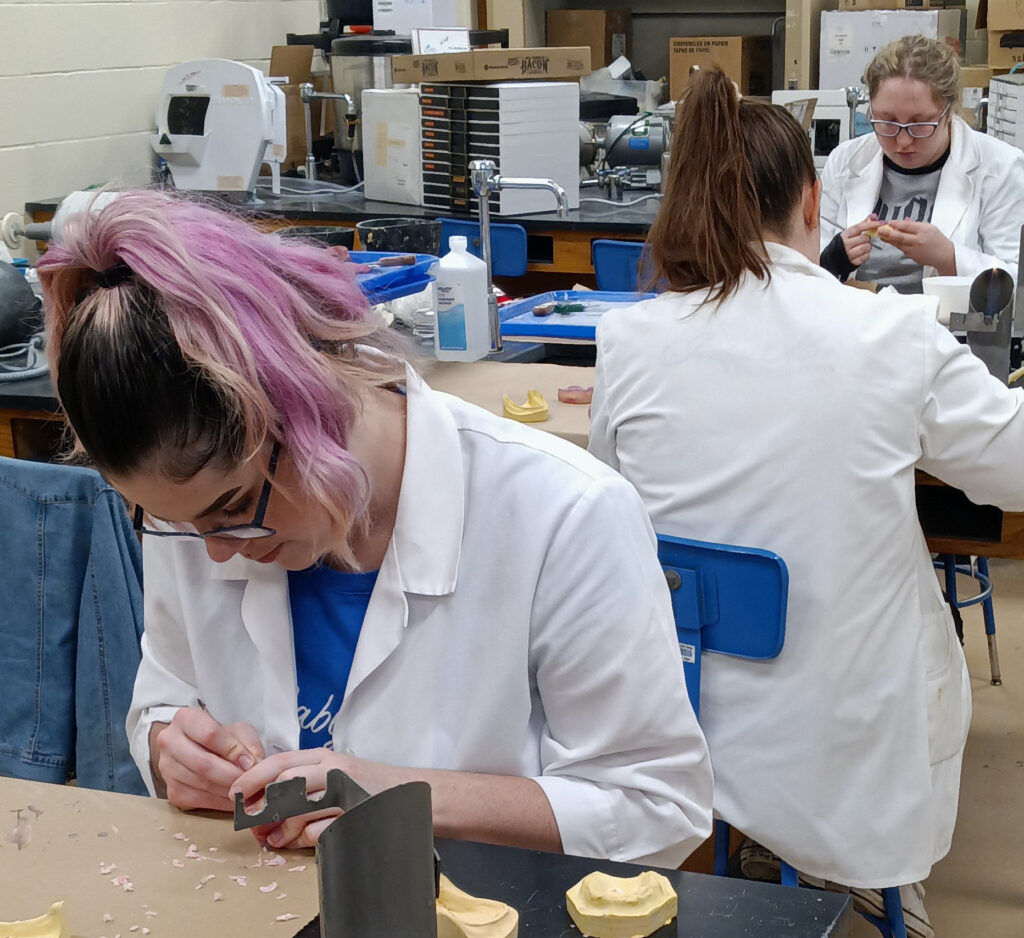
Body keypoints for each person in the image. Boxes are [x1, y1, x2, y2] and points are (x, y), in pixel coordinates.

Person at [38, 190, 713, 868]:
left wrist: (400, 798)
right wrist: (171, 753)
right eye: (172, 521)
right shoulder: (195, 514)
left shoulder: (565, 514)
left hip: (487, 918)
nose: (214, 553)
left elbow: (655, 808)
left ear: (309, 404)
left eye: (232, 510)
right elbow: (162, 699)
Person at [588, 68, 1024, 938]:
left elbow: (613, 500)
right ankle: (855, 861)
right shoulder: (888, 333)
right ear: (814, 202)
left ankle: (758, 835)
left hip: (685, 698)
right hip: (843, 719)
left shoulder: (628, 337)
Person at [819, 34, 1024, 293]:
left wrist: (949, 257)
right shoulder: (845, 162)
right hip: (858, 315)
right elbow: (805, 270)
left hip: (947, 319)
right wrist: (835, 257)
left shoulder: (1000, 167)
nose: (903, 141)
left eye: (920, 124)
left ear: (948, 112)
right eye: (887, 122)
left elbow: (1017, 283)